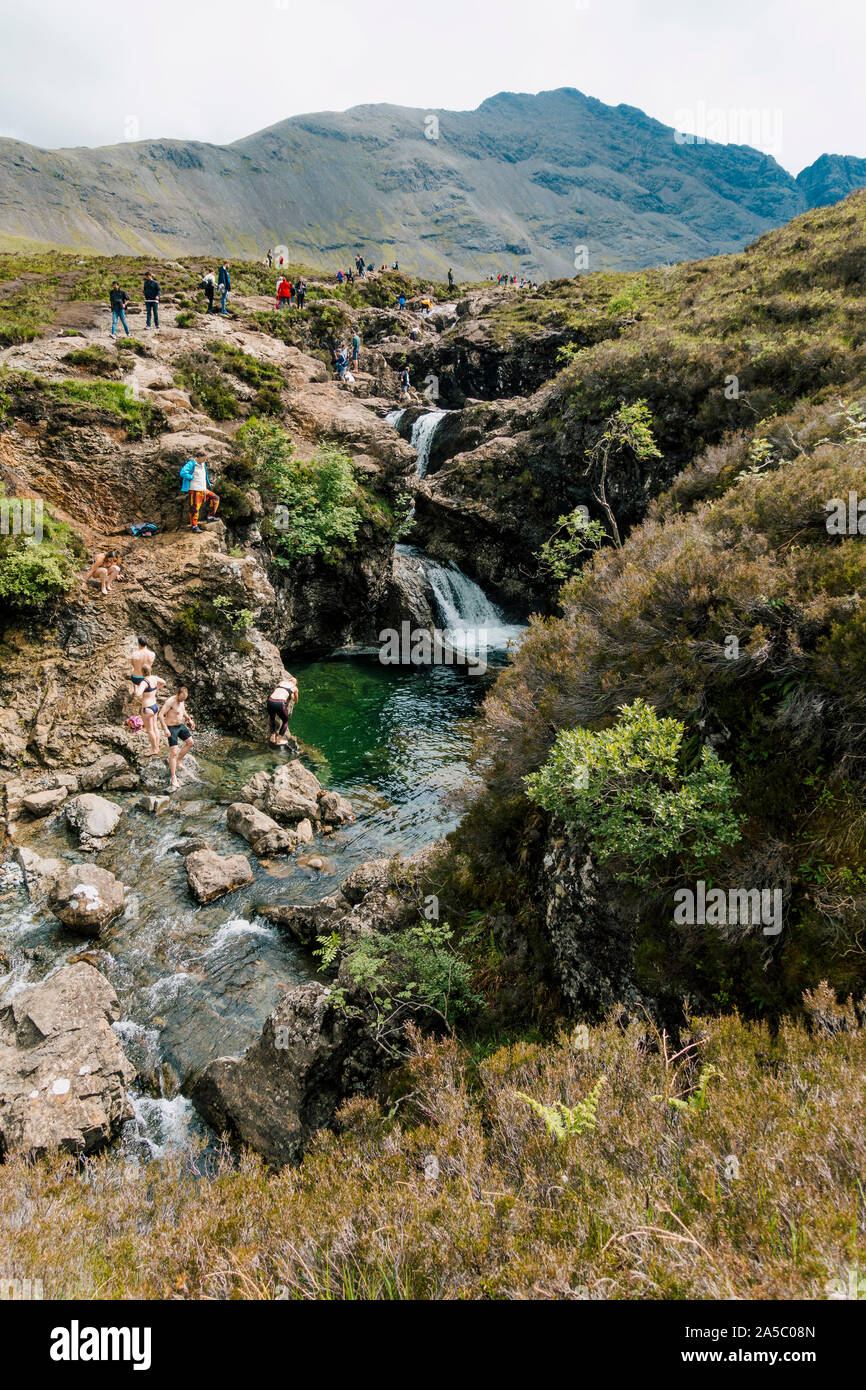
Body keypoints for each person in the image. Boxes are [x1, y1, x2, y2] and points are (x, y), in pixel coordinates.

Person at [159, 685, 196, 789]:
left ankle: (179, 761)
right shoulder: (170, 701)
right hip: (171, 728)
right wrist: (165, 729)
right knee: (174, 752)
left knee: (190, 743)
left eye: (184, 699)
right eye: (181, 698)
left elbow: (182, 710)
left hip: (180, 726)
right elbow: (160, 715)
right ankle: (173, 777)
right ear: (177, 694)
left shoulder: (181, 701)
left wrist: (189, 719)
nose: (182, 700)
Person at [180, 456, 220, 533]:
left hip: (203, 489)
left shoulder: (203, 464)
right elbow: (182, 473)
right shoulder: (191, 464)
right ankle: (194, 526)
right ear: (199, 457)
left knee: (215, 498)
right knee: (195, 508)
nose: (205, 459)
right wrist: (191, 477)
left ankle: (210, 516)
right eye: (204, 458)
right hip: (194, 489)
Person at [136, 667, 166, 755]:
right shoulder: (154, 678)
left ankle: (154, 749)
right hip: (155, 706)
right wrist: (157, 688)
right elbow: (163, 682)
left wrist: (135, 686)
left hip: (147, 708)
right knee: (155, 727)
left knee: (150, 730)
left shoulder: (144, 682)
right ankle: (157, 747)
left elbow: (138, 694)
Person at [266, 674, 298, 746]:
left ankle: (273, 735)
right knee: (285, 720)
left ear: (289, 680)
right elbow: (296, 700)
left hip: (270, 701)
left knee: (272, 718)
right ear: (295, 683)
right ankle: (278, 740)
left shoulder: (281, 682)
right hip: (279, 703)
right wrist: (292, 694)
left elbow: (277, 690)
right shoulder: (294, 688)